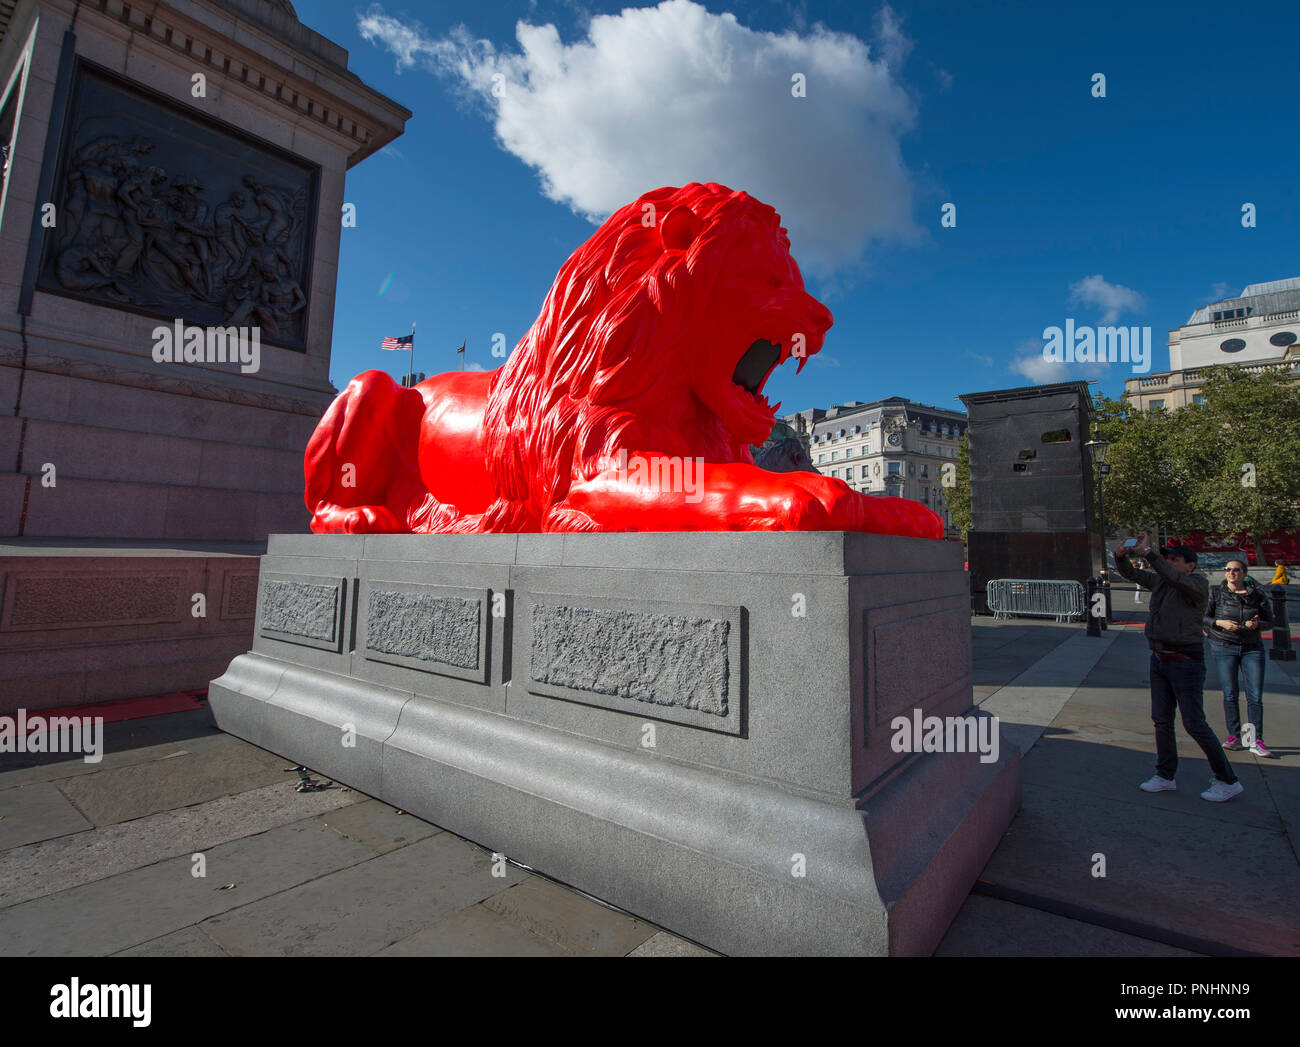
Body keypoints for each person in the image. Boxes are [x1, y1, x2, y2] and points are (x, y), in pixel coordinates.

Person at [1113, 533, 1243, 802]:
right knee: (1161, 720)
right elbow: (1132, 575)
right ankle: (1165, 775)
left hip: (1186, 661)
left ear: (1190, 565)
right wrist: (1120, 556)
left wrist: (1149, 553)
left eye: (1175, 559)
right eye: (1168, 559)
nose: (1169, 562)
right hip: (1159, 658)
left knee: (1194, 723)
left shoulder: (1197, 584)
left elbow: (1175, 579)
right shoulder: (1162, 580)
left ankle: (1227, 779)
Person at [1206, 559, 1275, 758]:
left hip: (1251, 648)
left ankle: (1253, 739)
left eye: (1236, 570)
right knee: (1230, 693)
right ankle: (1234, 737)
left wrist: (1257, 625)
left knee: (1253, 695)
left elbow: (1270, 621)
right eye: (1228, 569)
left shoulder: (1257, 594)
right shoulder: (1216, 592)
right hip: (1224, 645)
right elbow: (1205, 617)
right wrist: (1220, 623)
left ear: (1244, 573)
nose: (1231, 573)